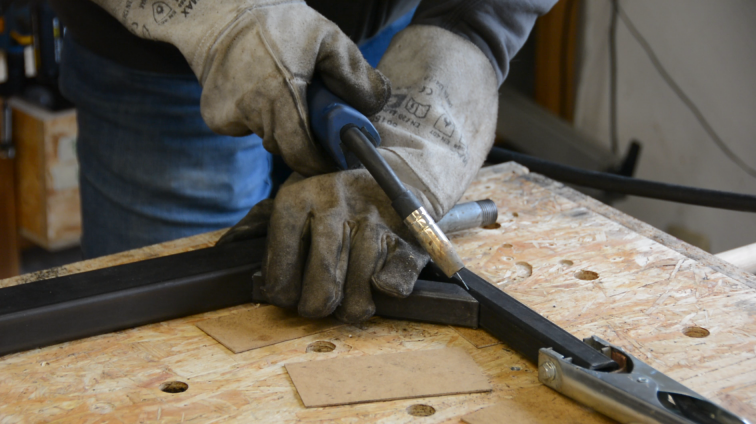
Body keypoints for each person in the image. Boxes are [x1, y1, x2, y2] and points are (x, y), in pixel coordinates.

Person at [49, 0, 556, 323]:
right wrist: (220, 15)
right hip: (168, 58)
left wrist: (465, 38)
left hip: (372, 45)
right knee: (163, 327)